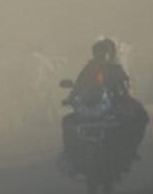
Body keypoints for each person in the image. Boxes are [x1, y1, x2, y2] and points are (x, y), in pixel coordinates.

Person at [63, 37, 148, 166]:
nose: (101, 55)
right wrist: (70, 98)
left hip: (112, 105)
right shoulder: (89, 68)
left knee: (140, 116)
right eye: (98, 52)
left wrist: (123, 96)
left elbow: (124, 86)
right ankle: (70, 153)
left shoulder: (116, 69)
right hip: (90, 106)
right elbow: (78, 86)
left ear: (109, 54)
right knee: (67, 122)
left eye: (103, 52)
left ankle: (131, 149)